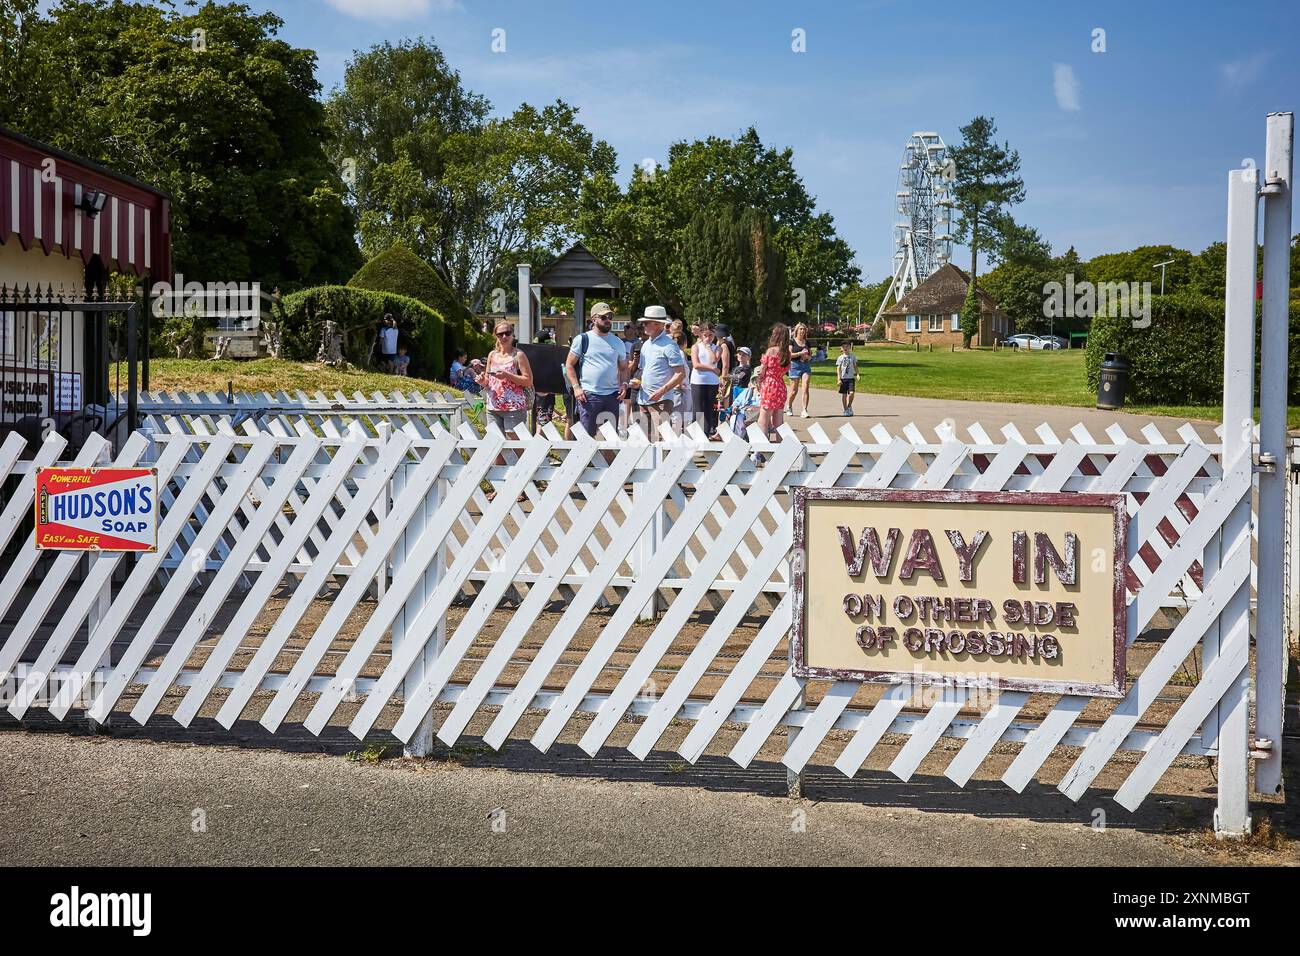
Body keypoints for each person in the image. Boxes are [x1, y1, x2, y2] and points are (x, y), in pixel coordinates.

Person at [566, 301, 628, 437]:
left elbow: (623, 368)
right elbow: (569, 365)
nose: (608, 320)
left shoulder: (618, 342)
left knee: (610, 438)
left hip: (612, 395)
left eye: (610, 317)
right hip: (589, 395)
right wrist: (576, 387)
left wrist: (624, 384)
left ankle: (608, 460)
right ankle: (587, 460)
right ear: (594, 319)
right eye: (604, 317)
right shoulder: (583, 339)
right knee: (586, 438)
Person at [629, 306, 686, 437]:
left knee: (661, 440)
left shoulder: (669, 345)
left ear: (658, 324)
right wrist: (639, 383)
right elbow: (646, 372)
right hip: (643, 399)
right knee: (645, 440)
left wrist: (662, 391)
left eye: (646, 322)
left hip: (661, 401)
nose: (643, 325)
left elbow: (680, 373)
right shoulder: (646, 344)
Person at [476, 322, 533, 433]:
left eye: (507, 333)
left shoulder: (518, 355)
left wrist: (507, 375)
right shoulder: (492, 355)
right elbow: (487, 380)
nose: (504, 337)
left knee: (515, 447)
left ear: (513, 335)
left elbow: (528, 381)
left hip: (514, 407)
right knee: (495, 444)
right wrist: (482, 381)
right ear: (496, 336)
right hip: (493, 407)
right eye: (500, 334)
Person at [759, 323, 791, 441]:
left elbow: (762, 371)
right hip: (780, 386)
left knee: (763, 419)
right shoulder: (787, 353)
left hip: (769, 385)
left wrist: (759, 379)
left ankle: (761, 449)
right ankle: (780, 448)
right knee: (778, 421)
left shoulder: (771, 351)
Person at [689, 324, 722, 438]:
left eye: (711, 335)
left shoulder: (718, 348)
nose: (708, 338)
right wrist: (712, 369)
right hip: (698, 381)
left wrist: (708, 347)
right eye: (705, 335)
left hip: (712, 382)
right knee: (698, 409)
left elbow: (714, 359)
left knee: (708, 409)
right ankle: (695, 436)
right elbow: (696, 365)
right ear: (701, 335)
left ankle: (705, 435)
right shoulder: (696, 347)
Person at [786, 322, 812, 418]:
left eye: (804, 329)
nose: (802, 331)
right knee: (794, 390)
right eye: (800, 329)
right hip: (794, 366)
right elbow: (789, 355)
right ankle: (789, 406)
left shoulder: (807, 342)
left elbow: (810, 355)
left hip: (805, 366)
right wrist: (800, 353)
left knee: (805, 387)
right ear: (796, 331)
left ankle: (804, 410)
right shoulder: (791, 341)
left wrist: (808, 357)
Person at [836, 341, 860, 416]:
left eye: (847, 346)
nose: (845, 348)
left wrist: (858, 374)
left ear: (850, 348)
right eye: (844, 347)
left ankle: (849, 406)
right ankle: (845, 410)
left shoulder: (853, 356)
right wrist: (839, 379)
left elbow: (855, 366)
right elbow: (838, 369)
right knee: (844, 395)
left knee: (851, 393)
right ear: (841, 348)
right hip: (843, 378)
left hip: (851, 378)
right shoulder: (840, 358)